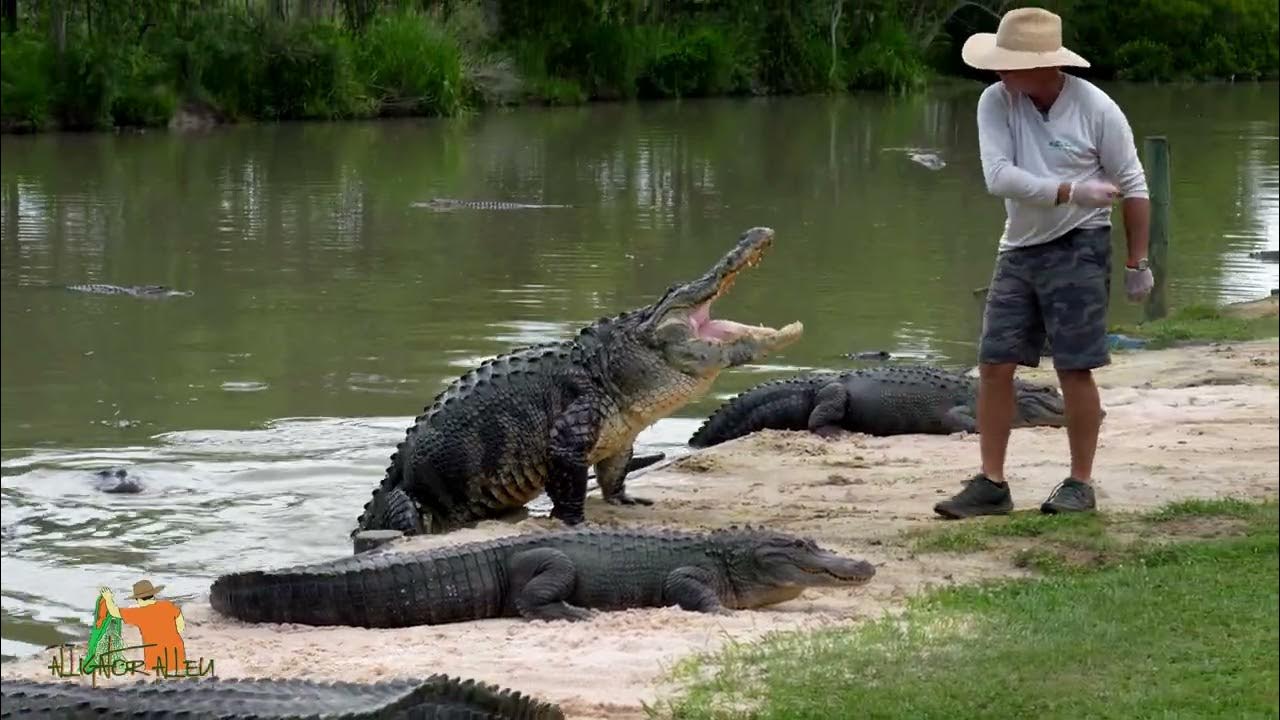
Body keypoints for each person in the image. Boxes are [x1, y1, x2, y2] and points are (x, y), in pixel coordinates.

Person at [934, 7, 1154, 519]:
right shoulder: (996, 101)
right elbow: (999, 177)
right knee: (994, 364)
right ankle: (992, 482)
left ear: (1044, 65)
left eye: (1008, 63)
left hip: (1081, 245)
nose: (998, 73)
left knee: (1075, 368)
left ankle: (1080, 483)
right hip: (1018, 248)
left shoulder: (1096, 108)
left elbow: (1135, 185)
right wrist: (1071, 190)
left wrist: (1137, 262)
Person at [100, 579, 187, 673]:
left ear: (138, 599)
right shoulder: (168, 605)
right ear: (153, 595)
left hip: (155, 654)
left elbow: (114, 612)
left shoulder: (138, 613)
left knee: (155, 676)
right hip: (177, 651)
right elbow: (181, 627)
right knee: (178, 674)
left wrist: (108, 598)